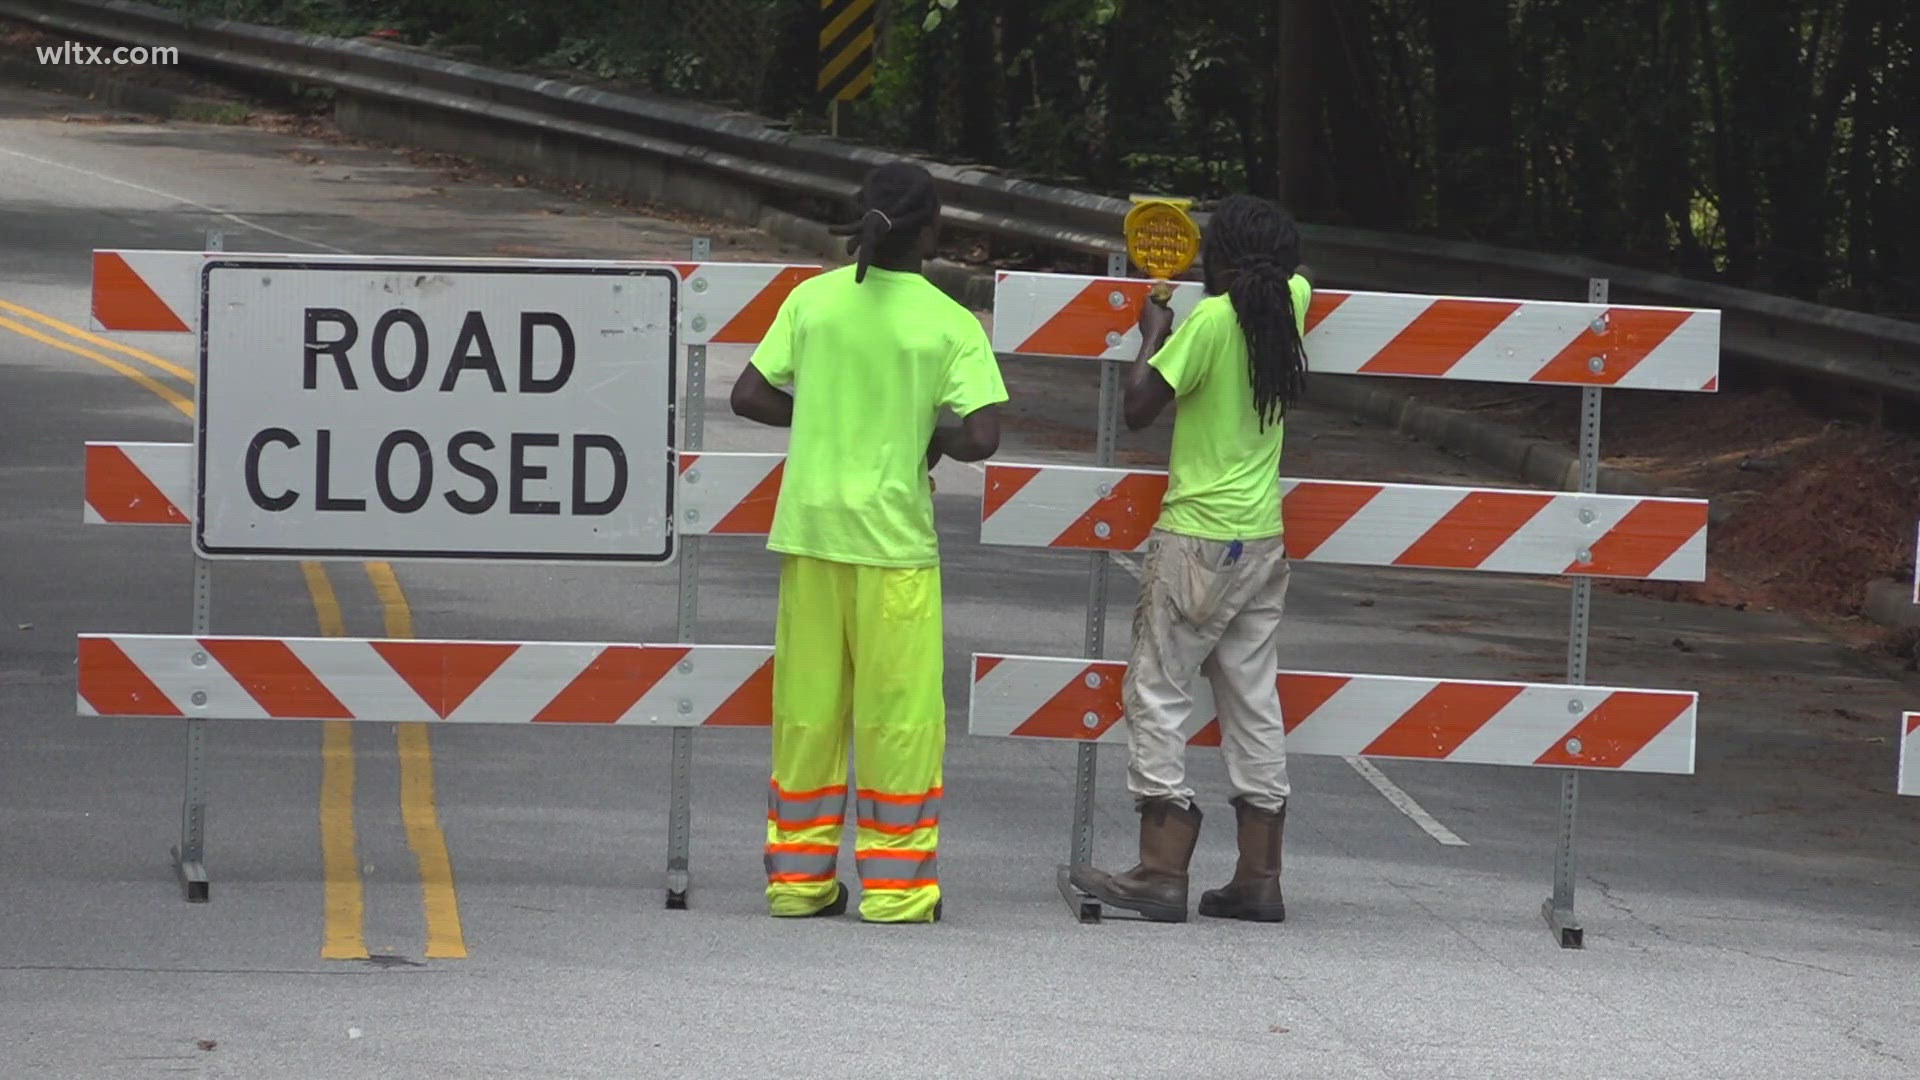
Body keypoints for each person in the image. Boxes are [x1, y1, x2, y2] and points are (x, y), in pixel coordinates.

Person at [730, 161, 1007, 924]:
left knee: (809, 711)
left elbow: (748, 394)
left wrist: (822, 413)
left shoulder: (812, 301)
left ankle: (798, 883)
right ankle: (897, 890)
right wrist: (930, 436)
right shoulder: (948, 321)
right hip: (892, 545)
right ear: (932, 231)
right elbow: (983, 433)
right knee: (899, 716)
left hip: (811, 532)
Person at [1071, 194, 1312, 924]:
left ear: (1229, 263)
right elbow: (1295, 271)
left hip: (1199, 539)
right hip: (1262, 538)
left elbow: (1140, 407)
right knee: (1251, 699)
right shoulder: (1288, 302)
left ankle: (1160, 867)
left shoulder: (1210, 321)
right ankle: (1259, 876)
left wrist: (1152, 331)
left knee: (1156, 689)